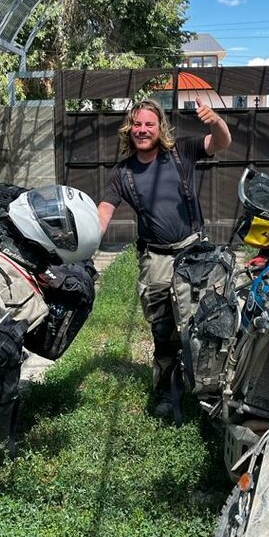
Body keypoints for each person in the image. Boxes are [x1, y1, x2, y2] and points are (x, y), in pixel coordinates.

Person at [97, 98, 231, 417]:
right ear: (129, 130)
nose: (143, 130)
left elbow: (221, 142)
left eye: (149, 124)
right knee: (163, 328)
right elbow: (103, 213)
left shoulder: (181, 152)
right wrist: (84, 243)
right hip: (155, 258)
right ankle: (167, 393)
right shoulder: (123, 173)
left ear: (160, 128)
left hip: (193, 253)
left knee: (207, 322)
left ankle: (211, 388)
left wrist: (215, 121)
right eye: (137, 125)